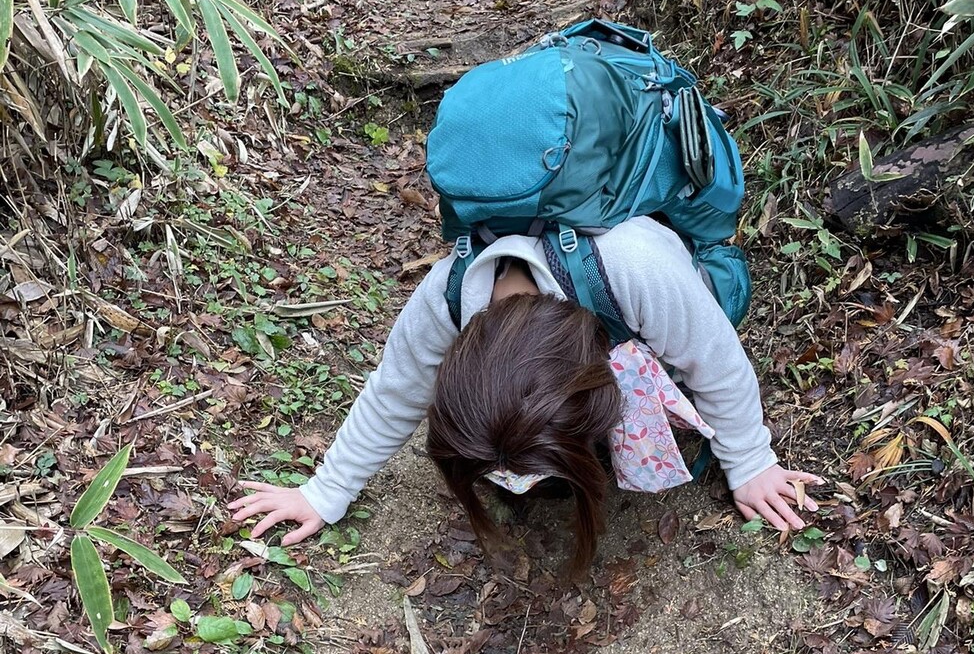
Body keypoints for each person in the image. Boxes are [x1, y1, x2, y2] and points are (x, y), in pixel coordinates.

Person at [228, 215, 824, 572]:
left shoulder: (638, 269)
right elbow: (393, 396)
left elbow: (718, 366)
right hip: (585, 329)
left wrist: (750, 462)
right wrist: (326, 491)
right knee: (510, 441)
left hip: (667, 297)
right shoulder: (444, 302)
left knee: (715, 317)